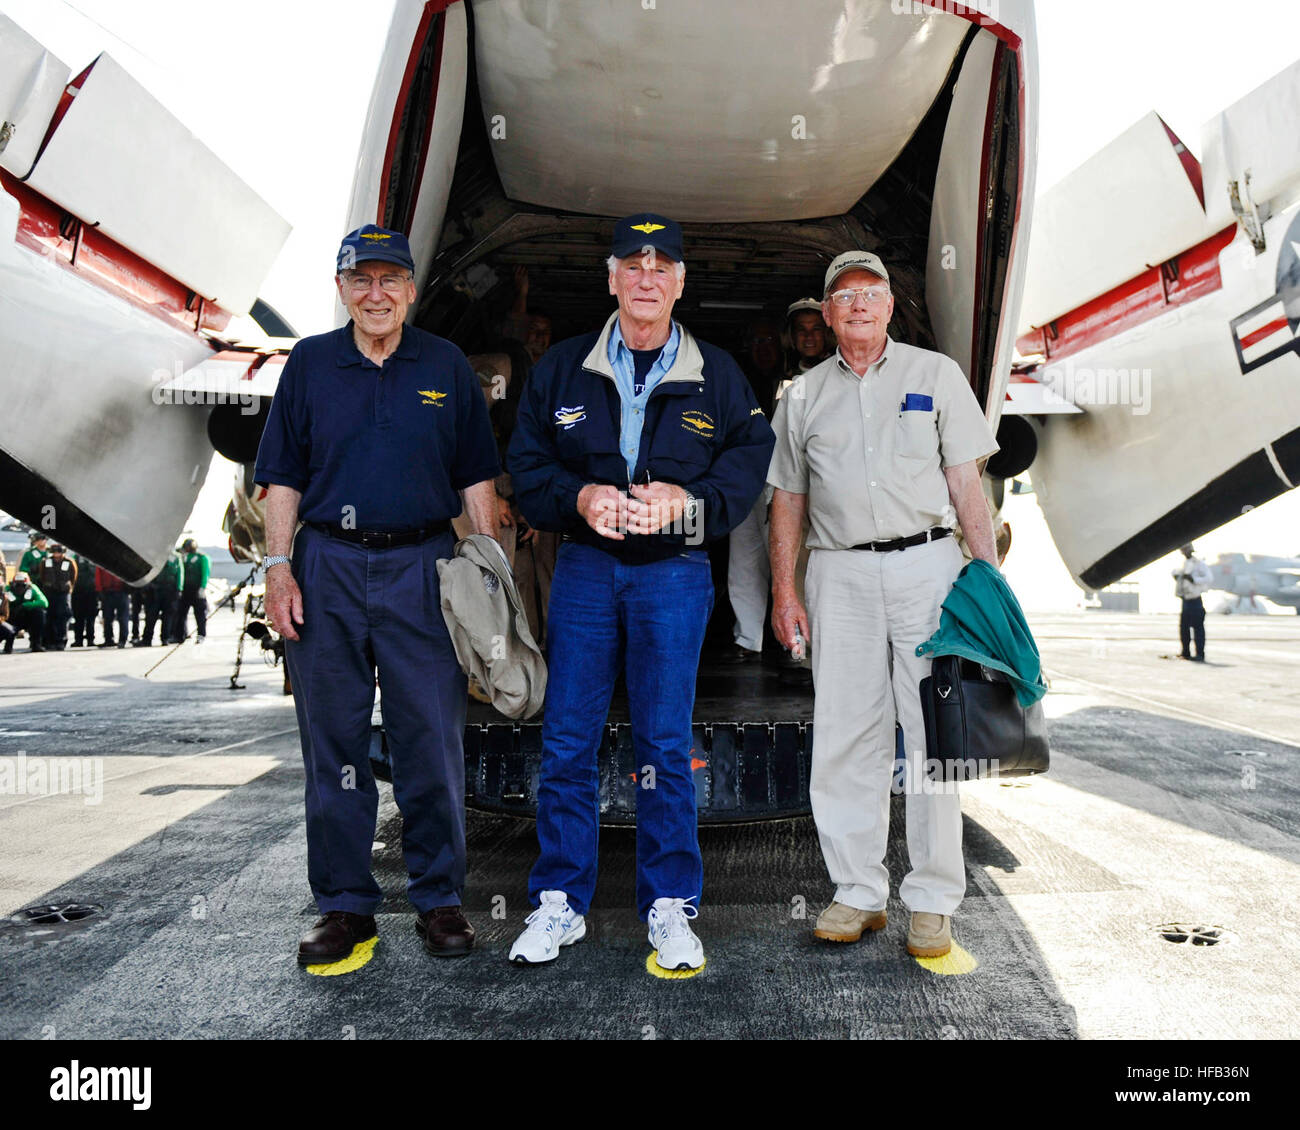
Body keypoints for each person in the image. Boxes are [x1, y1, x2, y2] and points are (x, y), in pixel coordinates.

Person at [507, 213, 775, 970]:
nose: (648, 277)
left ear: (681, 282)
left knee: (664, 741)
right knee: (567, 738)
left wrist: (688, 508)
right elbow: (526, 465)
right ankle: (559, 902)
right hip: (588, 567)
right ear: (613, 276)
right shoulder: (561, 368)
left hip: (676, 573)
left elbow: (750, 459)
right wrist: (578, 500)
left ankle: (670, 906)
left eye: (663, 266)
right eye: (634, 264)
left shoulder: (717, 373)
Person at [254, 224, 502, 966]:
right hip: (326, 566)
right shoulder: (308, 364)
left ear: (411, 290)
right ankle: (344, 906)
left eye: (391, 279)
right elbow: (282, 479)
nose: (376, 293)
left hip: (421, 567)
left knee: (429, 738)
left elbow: (474, 480)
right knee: (333, 744)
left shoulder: (447, 365)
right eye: (361, 279)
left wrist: (486, 573)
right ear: (341, 288)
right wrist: (276, 566)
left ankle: (439, 899)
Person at [767, 250, 1000, 959]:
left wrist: (987, 581)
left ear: (890, 306)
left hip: (929, 566)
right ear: (827, 314)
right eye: (844, 296)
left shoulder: (936, 375)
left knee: (936, 733)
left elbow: (967, 485)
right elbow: (787, 499)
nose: (859, 304)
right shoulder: (802, 394)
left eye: (871, 293)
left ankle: (931, 903)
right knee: (845, 735)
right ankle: (857, 893)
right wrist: (784, 589)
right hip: (837, 573)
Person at [721, 316, 786, 663]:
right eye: (757, 343)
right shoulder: (738, 380)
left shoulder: (793, 380)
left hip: (786, 483)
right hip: (746, 481)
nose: (763, 349)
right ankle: (748, 639)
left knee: (787, 559)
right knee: (744, 558)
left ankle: (792, 639)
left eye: (769, 341)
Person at [1173, 544, 1213, 661]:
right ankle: (1186, 653)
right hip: (1185, 600)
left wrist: (1194, 580)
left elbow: (1209, 578)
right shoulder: (1183, 565)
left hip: (1195, 600)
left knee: (1198, 628)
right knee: (1184, 628)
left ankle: (1200, 654)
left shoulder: (1199, 564)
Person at [136, 549, 183, 646]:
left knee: (167, 616)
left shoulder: (176, 557)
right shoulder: (155, 555)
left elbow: (180, 573)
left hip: (169, 590)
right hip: (155, 589)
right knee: (151, 616)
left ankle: (164, 638)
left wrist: (179, 589)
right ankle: (147, 639)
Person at [36, 544, 76, 650]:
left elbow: (73, 576)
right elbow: (42, 575)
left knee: (62, 616)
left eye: (59, 552)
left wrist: (68, 587)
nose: (57, 554)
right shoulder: (46, 562)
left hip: (63, 593)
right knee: (50, 617)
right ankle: (50, 641)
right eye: (55, 552)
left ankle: (61, 641)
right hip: (49, 592)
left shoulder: (69, 562)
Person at [173, 538, 211, 644]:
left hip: (197, 590)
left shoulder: (202, 558)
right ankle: (180, 635)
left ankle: (201, 635)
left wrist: (202, 587)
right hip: (186, 590)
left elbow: (205, 574)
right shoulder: (184, 558)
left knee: (200, 615)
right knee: (181, 613)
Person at [785, 297, 831, 378]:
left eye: (816, 329)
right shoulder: (786, 380)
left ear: (826, 333)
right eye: (801, 329)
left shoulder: (844, 375)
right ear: (792, 336)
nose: (809, 336)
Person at [3, 572, 48, 653]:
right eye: (17, 585)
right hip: (13, 618)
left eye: (22, 585)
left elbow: (44, 602)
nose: (20, 588)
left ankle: (36, 644)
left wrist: (25, 605)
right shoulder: (8, 589)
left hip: (28, 617)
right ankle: (8, 645)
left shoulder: (33, 588)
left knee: (40, 613)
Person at [94, 566, 129, 648]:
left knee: (122, 618)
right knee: (107, 618)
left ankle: (122, 640)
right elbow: (98, 575)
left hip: (122, 591)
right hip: (107, 592)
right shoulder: (103, 560)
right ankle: (108, 639)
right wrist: (99, 590)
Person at [70, 552, 99, 647]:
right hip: (78, 592)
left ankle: (90, 639)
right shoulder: (74, 558)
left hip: (92, 592)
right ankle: (78, 640)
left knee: (91, 618)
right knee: (78, 618)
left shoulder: (94, 559)